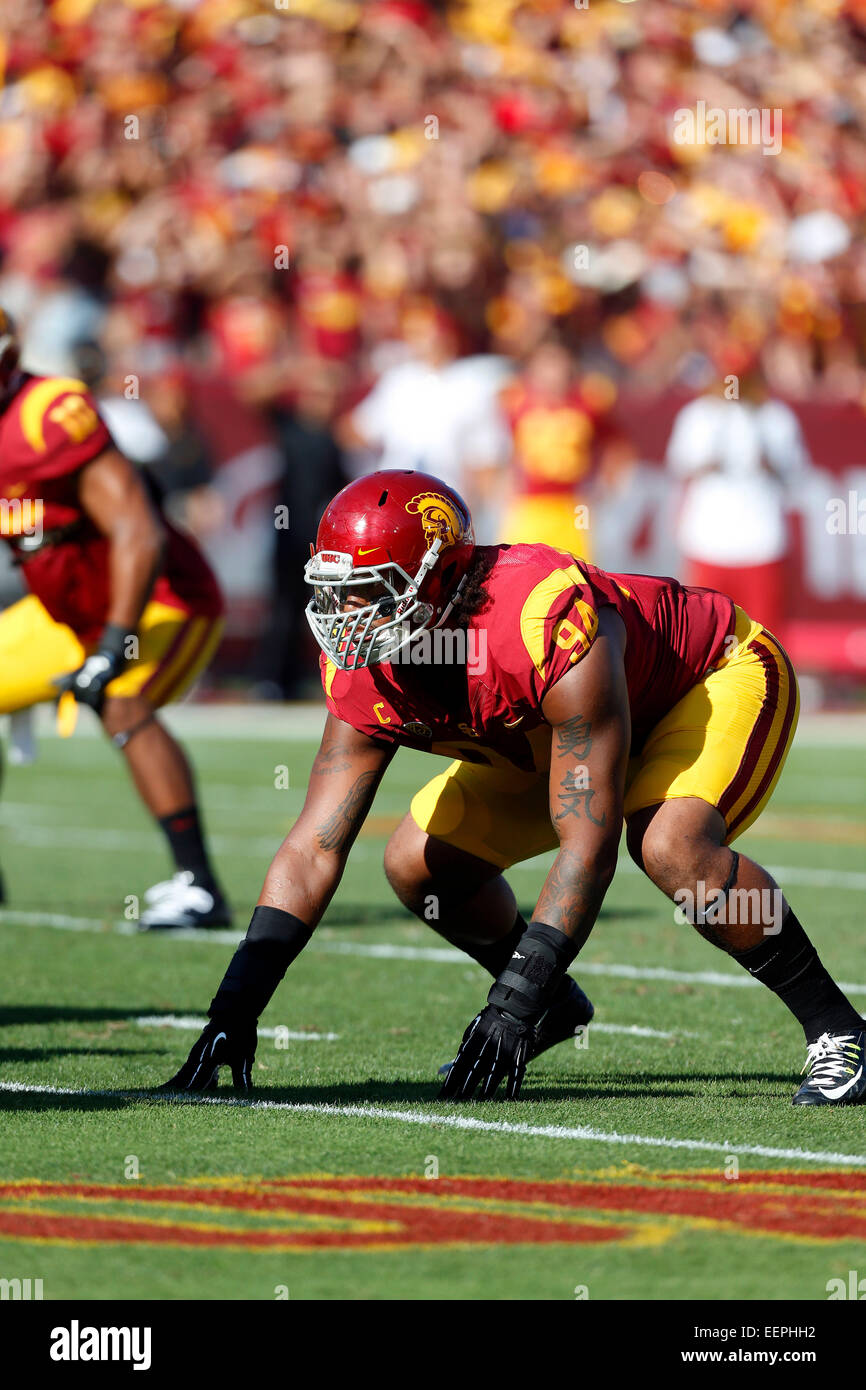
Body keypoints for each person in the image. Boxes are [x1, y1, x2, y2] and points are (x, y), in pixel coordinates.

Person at [164, 469, 864, 1106]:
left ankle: (841, 1033)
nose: (347, 612)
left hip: (704, 679)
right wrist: (235, 1008)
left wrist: (511, 1000)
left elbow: (587, 846)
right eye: (338, 589)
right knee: (417, 862)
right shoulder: (361, 665)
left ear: (440, 580)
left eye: (372, 592)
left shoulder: (537, 618)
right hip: (553, 731)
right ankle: (558, 1007)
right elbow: (315, 846)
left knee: (670, 845)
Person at [0, 309, 229, 930]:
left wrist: (112, 645)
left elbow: (137, 529)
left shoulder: (48, 417)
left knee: (122, 700)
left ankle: (199, 888)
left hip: (161, 596)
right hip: (65, 613)